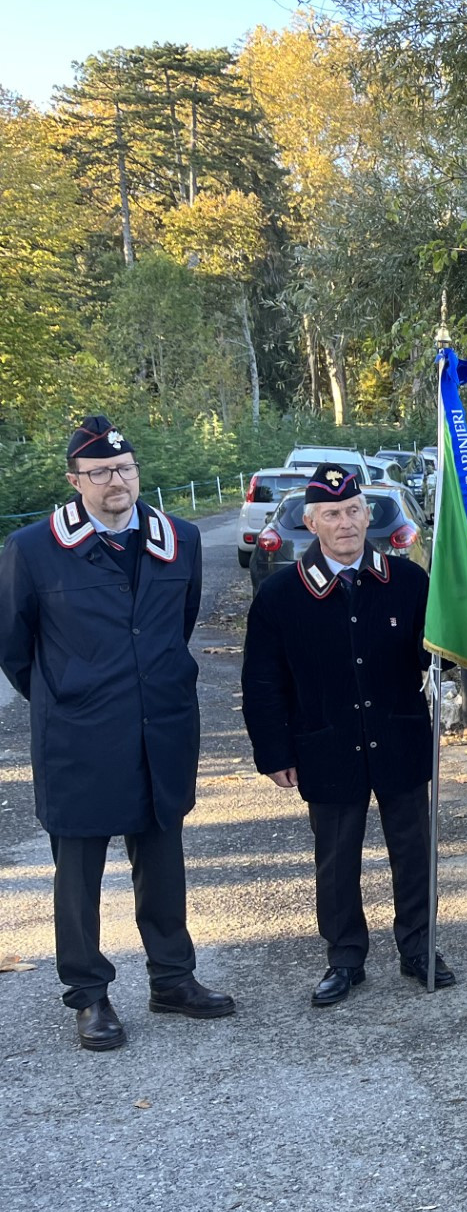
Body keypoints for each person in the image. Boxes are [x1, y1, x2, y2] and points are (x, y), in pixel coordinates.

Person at [0, 415, 233, 1050]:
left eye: (124, 470)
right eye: (99, 473)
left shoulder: (177, 539)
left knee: (162, 858)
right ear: (74, 481)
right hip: (78, 734)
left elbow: (176, 625)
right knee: (78, 871)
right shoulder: (32, 549)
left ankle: (172, 979)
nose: (115, 483)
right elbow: (16, 649)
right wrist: (70, 692)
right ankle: (89, 996)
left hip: (160, 727)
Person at [241, 465, 449, 1005]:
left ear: (366, 514)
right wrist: (274, 751)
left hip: (399, 736)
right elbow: (263, 681)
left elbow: (436, 653)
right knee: (336, 856)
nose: (346, 522)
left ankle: (419, 946)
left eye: (354, 510)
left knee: (413, 847)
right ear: (312, 523)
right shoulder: (281, 595)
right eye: (332, 514)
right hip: (326, 741)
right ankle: (345, 957)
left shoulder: (408, 581)